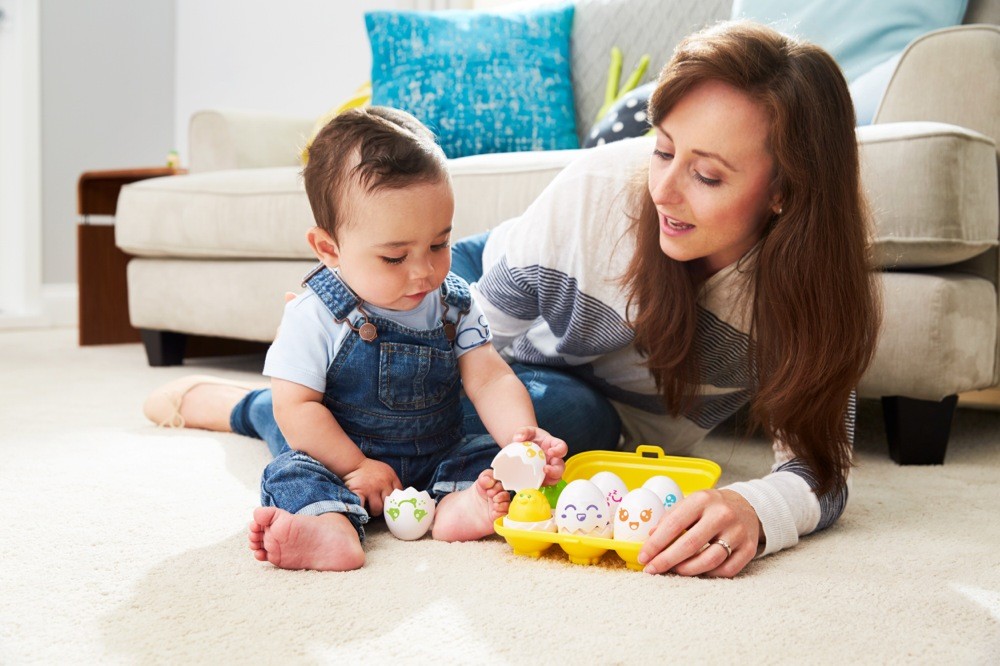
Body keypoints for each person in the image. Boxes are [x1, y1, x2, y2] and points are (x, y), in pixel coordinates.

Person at [145, 20, 880, 578]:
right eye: (662, 150)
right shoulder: (597, 203)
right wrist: (368, 338)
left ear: (784, 190)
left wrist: (755, 508)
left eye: (709, 175)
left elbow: (820, 466)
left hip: (576, 386)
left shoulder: (808, 290)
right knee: (382, 402)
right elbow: (471, 359)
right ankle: (256, 405)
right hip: (480, 309)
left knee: (566, 430)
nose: (664, 189)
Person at [145, 106, 568, 572]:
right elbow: (295, 407)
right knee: (292, 471)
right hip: (345, 463)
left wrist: (518, 441)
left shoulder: (455, 301)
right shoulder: (315, 313)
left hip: (437, 457)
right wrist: (353, 467)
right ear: (330, 250)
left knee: (486, 459)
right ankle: (329, 527)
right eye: (394, 257)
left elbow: (489, 379)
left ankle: (459, 509)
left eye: (439, 244)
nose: (424, 271)